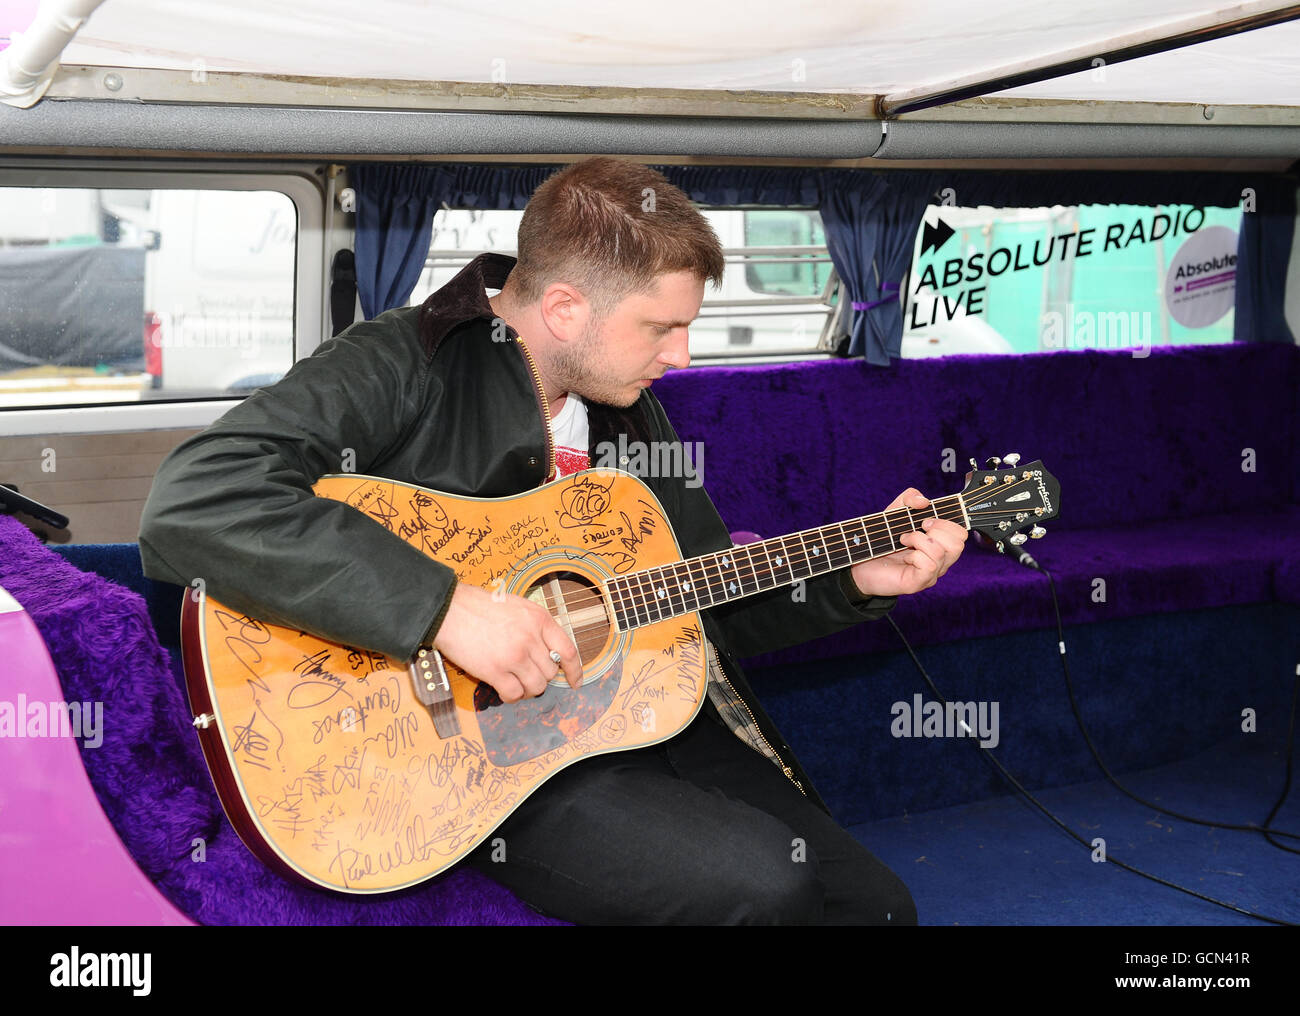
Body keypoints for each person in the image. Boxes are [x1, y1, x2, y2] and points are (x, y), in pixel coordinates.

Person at [139, 156, 967, 924]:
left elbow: (709, 601)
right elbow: (199, 495)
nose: (681, 356)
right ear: (566, 307)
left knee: (876, 906)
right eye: (659, 328)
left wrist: (854, 582)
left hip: (641, 719)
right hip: (469, 752)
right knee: (765, 882)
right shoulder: (404, 359)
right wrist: (442, 609)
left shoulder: (629, 406)